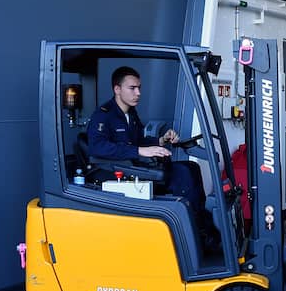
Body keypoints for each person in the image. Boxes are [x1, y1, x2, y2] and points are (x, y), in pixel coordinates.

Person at [87, 66, 205, 210]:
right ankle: (190, 219)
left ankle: (201, 218)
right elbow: (97, 147)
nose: (138, 93)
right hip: (116, 170)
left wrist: (161, 141)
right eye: (132, 88)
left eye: (139, 88)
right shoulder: (103, 115)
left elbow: (138, 140)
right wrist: (139, 151)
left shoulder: (131, 114)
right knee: (182, 173)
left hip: (132, 165)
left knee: (192, 167)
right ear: (117, 89)